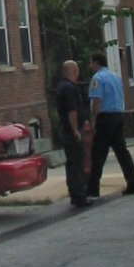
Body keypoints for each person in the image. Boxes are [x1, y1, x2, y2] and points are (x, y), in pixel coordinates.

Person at [86, 52, 134, 197]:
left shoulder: (97, 78)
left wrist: (93, 120)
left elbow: (96, 101)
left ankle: (92, 188)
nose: (89, 66)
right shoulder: (115, 77)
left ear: (97, 63)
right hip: (118, 116)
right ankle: (133, 182)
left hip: (105, 118)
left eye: (91, 62)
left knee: (98, 154)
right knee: (122, 152)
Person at [47, 60, 91, 208]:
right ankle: (79, 196)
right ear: (72, 71)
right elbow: (72, 111)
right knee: (77, 164)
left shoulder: (61, 87)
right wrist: (76, 130)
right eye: (76, 71)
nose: (78, 74)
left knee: (72, 164)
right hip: (72, 131)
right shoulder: (69, 88)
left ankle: (75, 194)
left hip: (66, 130)